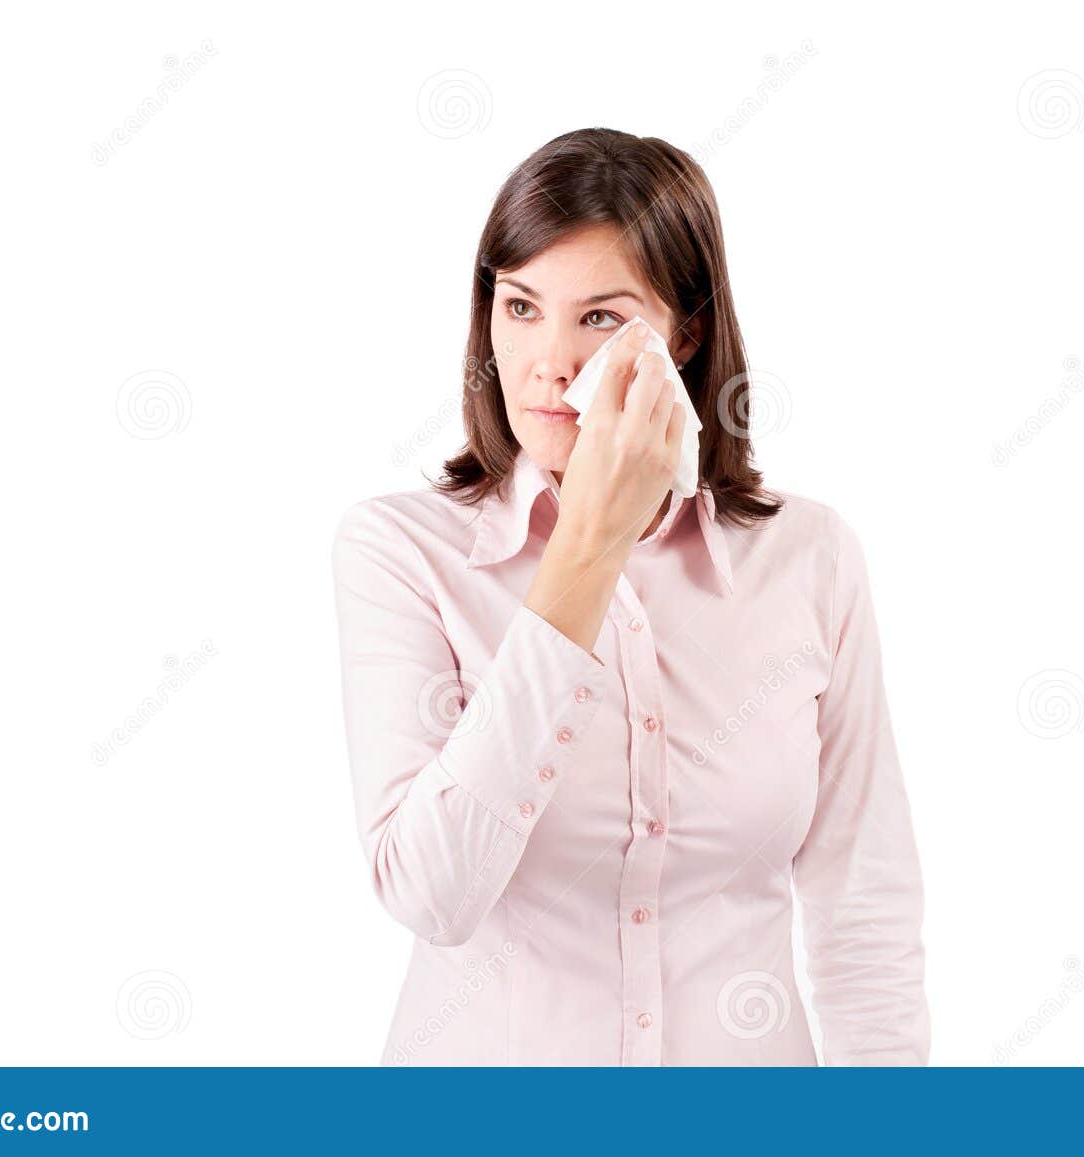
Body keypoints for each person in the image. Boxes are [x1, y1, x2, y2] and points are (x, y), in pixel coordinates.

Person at [331, 127, 930, 1065]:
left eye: (601, 319)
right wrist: (589, 547)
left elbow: (864, 904)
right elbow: (431, 894)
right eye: (521, 306)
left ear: (684, 334)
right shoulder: (401, 550)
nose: (550, 361)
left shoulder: (809, 556)